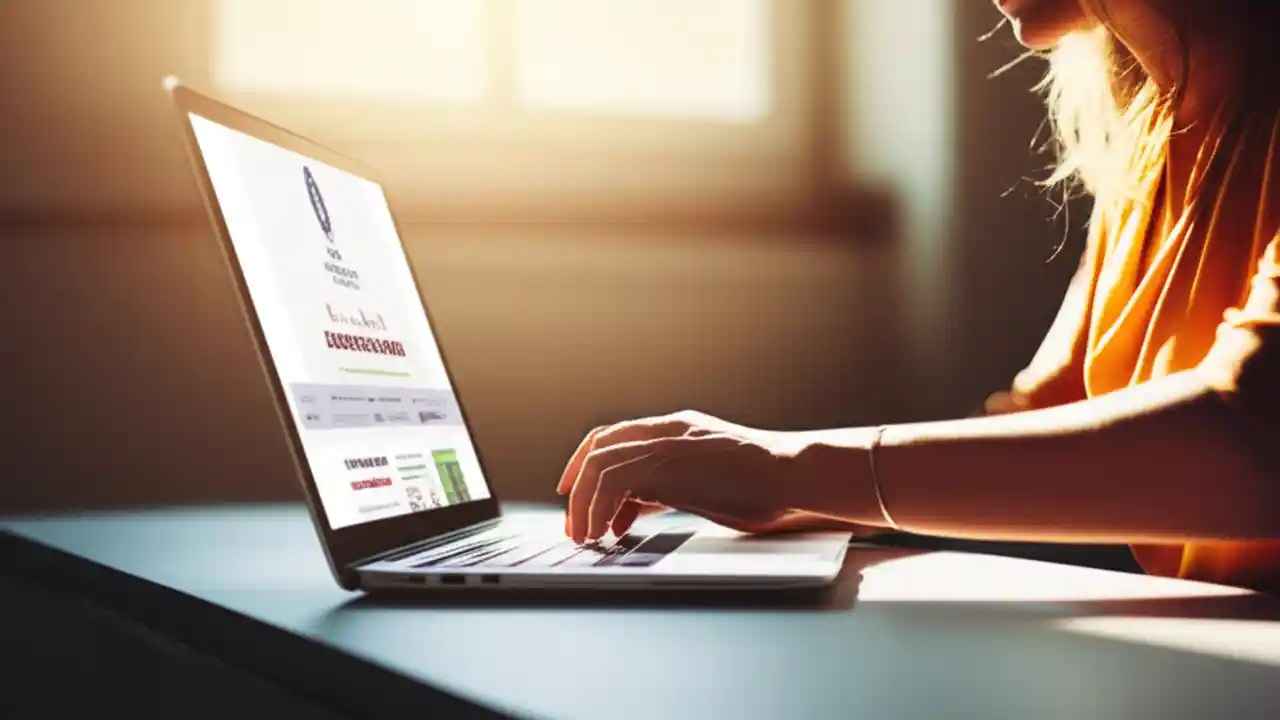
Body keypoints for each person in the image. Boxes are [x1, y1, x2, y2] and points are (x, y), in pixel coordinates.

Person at [555, 0, 1280, 592]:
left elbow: (1252, 437)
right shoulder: (1151, 128)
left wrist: (788, 467)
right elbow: (1052, 417)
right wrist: (791, 495)